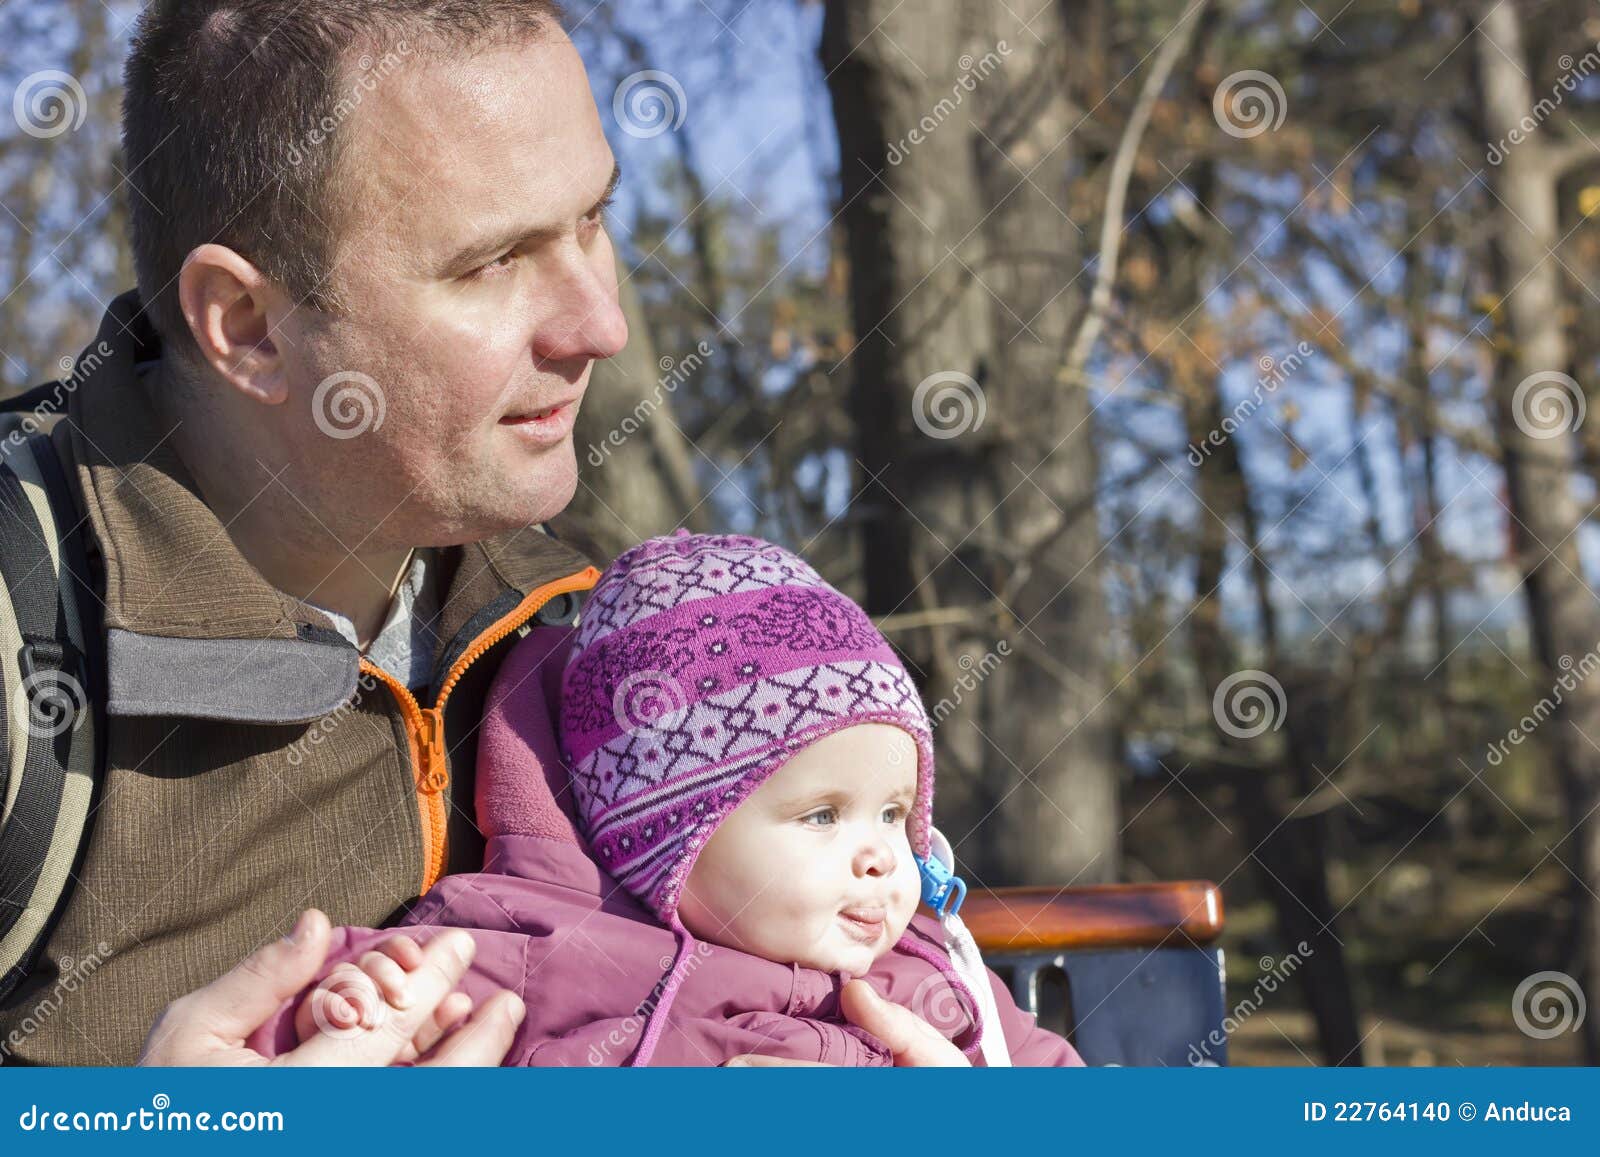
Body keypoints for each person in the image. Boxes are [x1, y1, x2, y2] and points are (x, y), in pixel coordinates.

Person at [0, 0, 975, 1067]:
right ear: (248, 326)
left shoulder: (603, 634)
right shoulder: (28, 624)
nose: (598, 323)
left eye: (593, 219)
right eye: (493, 261)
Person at [245, 534, 1084, 1065]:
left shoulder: (935, 975)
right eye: (823, 814)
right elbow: (320, 1030)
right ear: (663, 838)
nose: (881, 855)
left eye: (895, 813)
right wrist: (347, 1000)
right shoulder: (555, 952)